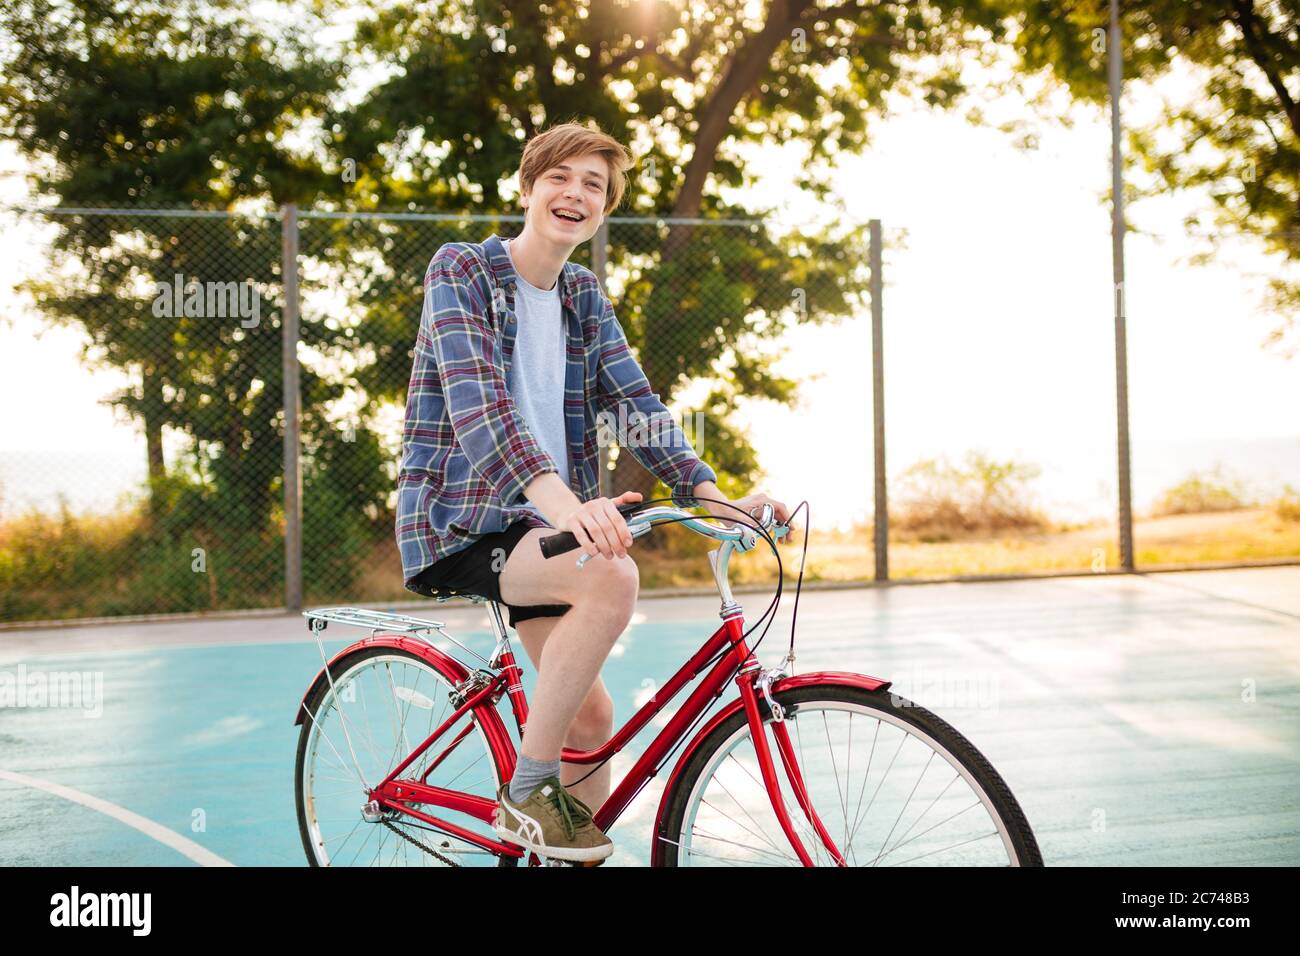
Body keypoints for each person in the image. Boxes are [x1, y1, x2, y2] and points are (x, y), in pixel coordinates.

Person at [395, 120, 792, 864]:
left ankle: (559, 839)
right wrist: (571, 510)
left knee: (592, 717)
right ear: (528, 185)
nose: (576, 193)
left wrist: (711, 495)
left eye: (595, 186)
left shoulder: (581, 294)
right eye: (561, 177)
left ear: (605, 208)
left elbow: (637, 405)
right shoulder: (462, 273)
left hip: (543, 528)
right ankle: (527, 794)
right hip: (463, 521)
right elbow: (482, 413)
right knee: (613, 576)